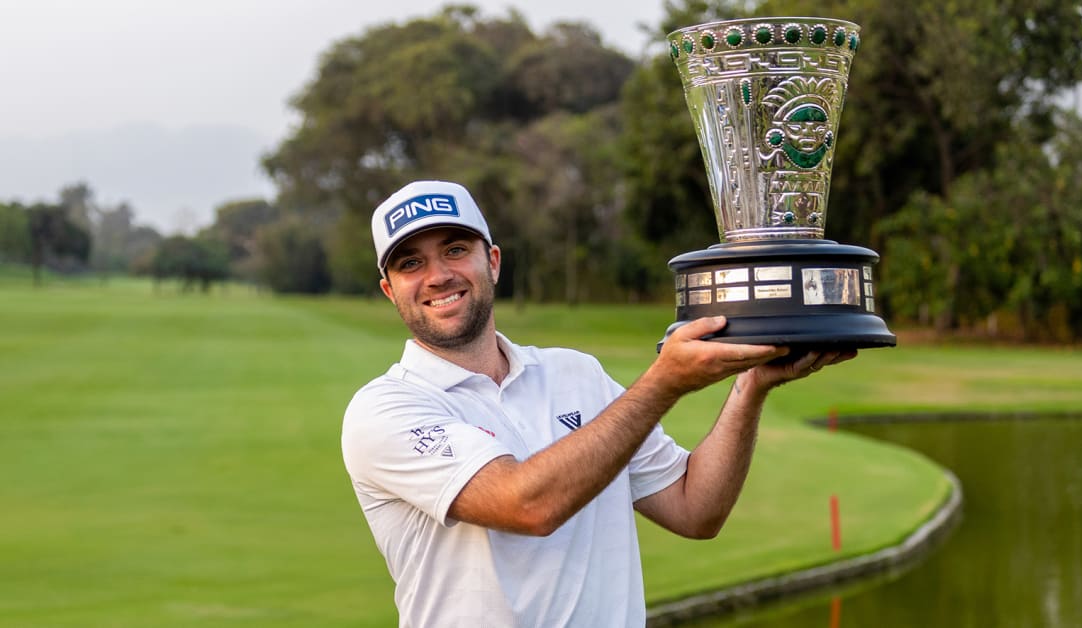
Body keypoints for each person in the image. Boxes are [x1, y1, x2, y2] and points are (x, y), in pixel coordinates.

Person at [341, 180, 856, 627]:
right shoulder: (385, 410)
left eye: (455, 249)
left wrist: (750, 386)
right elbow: (527, 505)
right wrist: (663, 384)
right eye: (412, 263)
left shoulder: (575, 373)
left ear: (492, 262)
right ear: (390, 290)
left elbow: (695, 510)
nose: (438, 275)